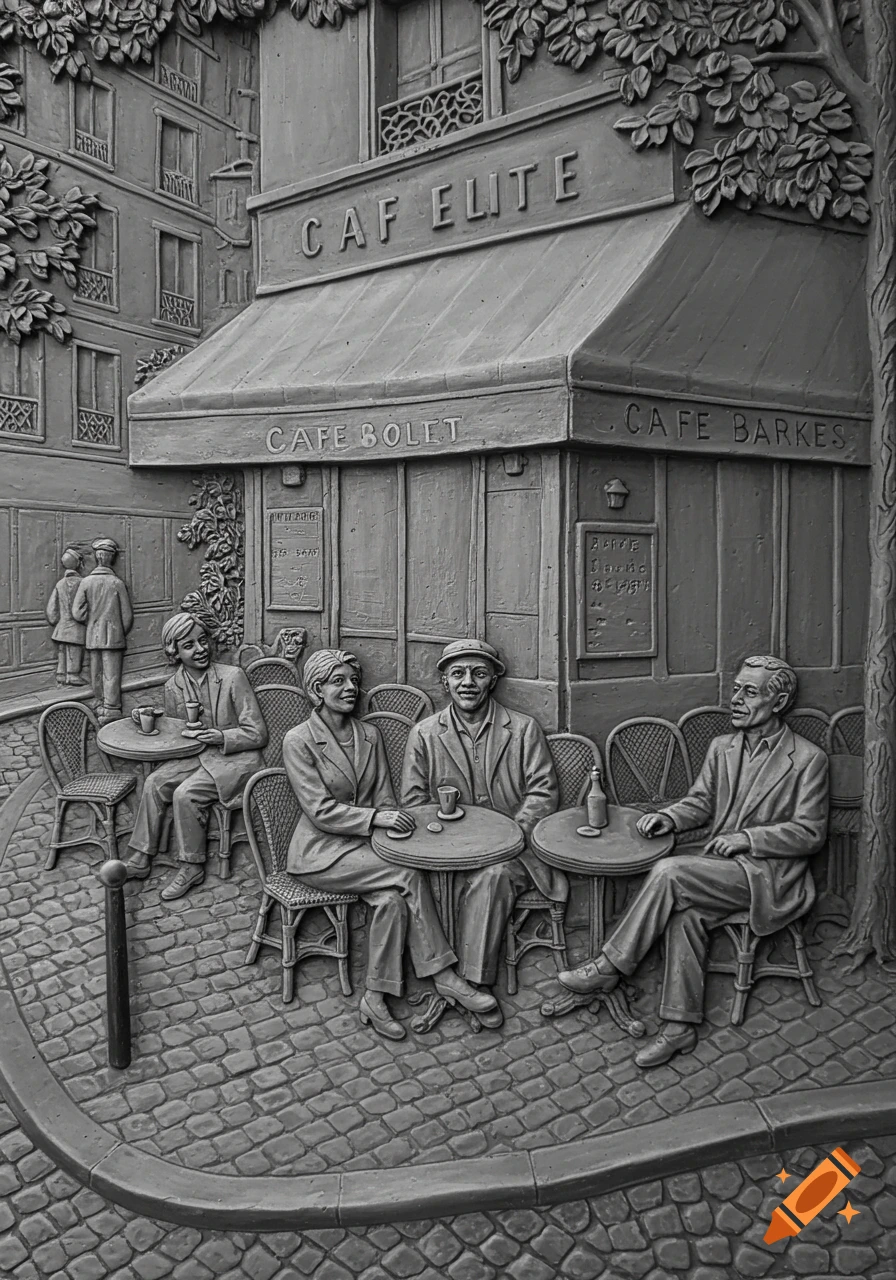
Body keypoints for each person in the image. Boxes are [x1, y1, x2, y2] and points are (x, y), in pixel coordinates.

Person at [559, 656, 829, 1067]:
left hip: (768, 878)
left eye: (750, 692)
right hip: (716, 871)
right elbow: (700, 803)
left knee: (670, 871)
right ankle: (679, 1028)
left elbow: (810, 833)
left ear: (780, 701)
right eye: (736, 688)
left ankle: (611, 964)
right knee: (684, 916)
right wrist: (668, 816)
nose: (735, 699)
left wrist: (747, 838)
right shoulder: (723, 748)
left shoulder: (808, 759)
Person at [282, 648, 496, 1041]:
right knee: (406, 874)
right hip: (319, 853)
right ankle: (445, 975)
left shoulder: (369, 734)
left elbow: (384, 798)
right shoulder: (299, 740)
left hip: (366, 849)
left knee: (392, 902)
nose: (351, 688)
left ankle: (375, 997)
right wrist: (378, 820)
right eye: (338, 681)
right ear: (316, 690)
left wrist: (401, 831)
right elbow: (320, 811)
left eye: (352, 680)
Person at [401, 639, 564, 1026]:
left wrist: (510, 837)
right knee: (406, 881)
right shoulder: (424, 734)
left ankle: (473, 986)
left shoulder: (523, 730)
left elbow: (543, 794)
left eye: (478, 673)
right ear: (445, 682)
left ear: (492, 679)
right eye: (458, 674)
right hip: (446, 850)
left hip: (514, 854)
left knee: (491, 878)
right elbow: (412, 802)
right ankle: (449, 981)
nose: (468, 682)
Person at [125, 613, 268, 901]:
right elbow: (180, 732)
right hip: (200, 757)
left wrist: (223, 737)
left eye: (202, 641)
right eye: (189, 645)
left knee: (185, 794)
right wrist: (149, 721)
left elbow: (257, 734)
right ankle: (141, 856)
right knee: (155, 781)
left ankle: (192, 866)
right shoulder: (173, 686)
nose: (200, 649)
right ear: (174, 652)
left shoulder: (232, 677)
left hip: (236, 760)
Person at [71, 537, 133, 724]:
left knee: (96, 672)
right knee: (112, 673)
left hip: (93, 635)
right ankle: (112, 708)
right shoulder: (117, 583)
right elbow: (127, 615)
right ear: (111, 558)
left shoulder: (86, 582)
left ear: (97, 558)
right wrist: (119, 631)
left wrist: (91, 622)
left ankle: (99, 703)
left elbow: (77, 612)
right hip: (114, 636)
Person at [46, 547, 86, 687]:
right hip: (76, 625)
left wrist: (54, 620)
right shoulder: (82, 583)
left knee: (62, 650)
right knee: (74, 650)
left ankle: (61, 674)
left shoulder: (60, 584)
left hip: (62, 625)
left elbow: (52, 607)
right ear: (78, 564)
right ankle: (73, 675)